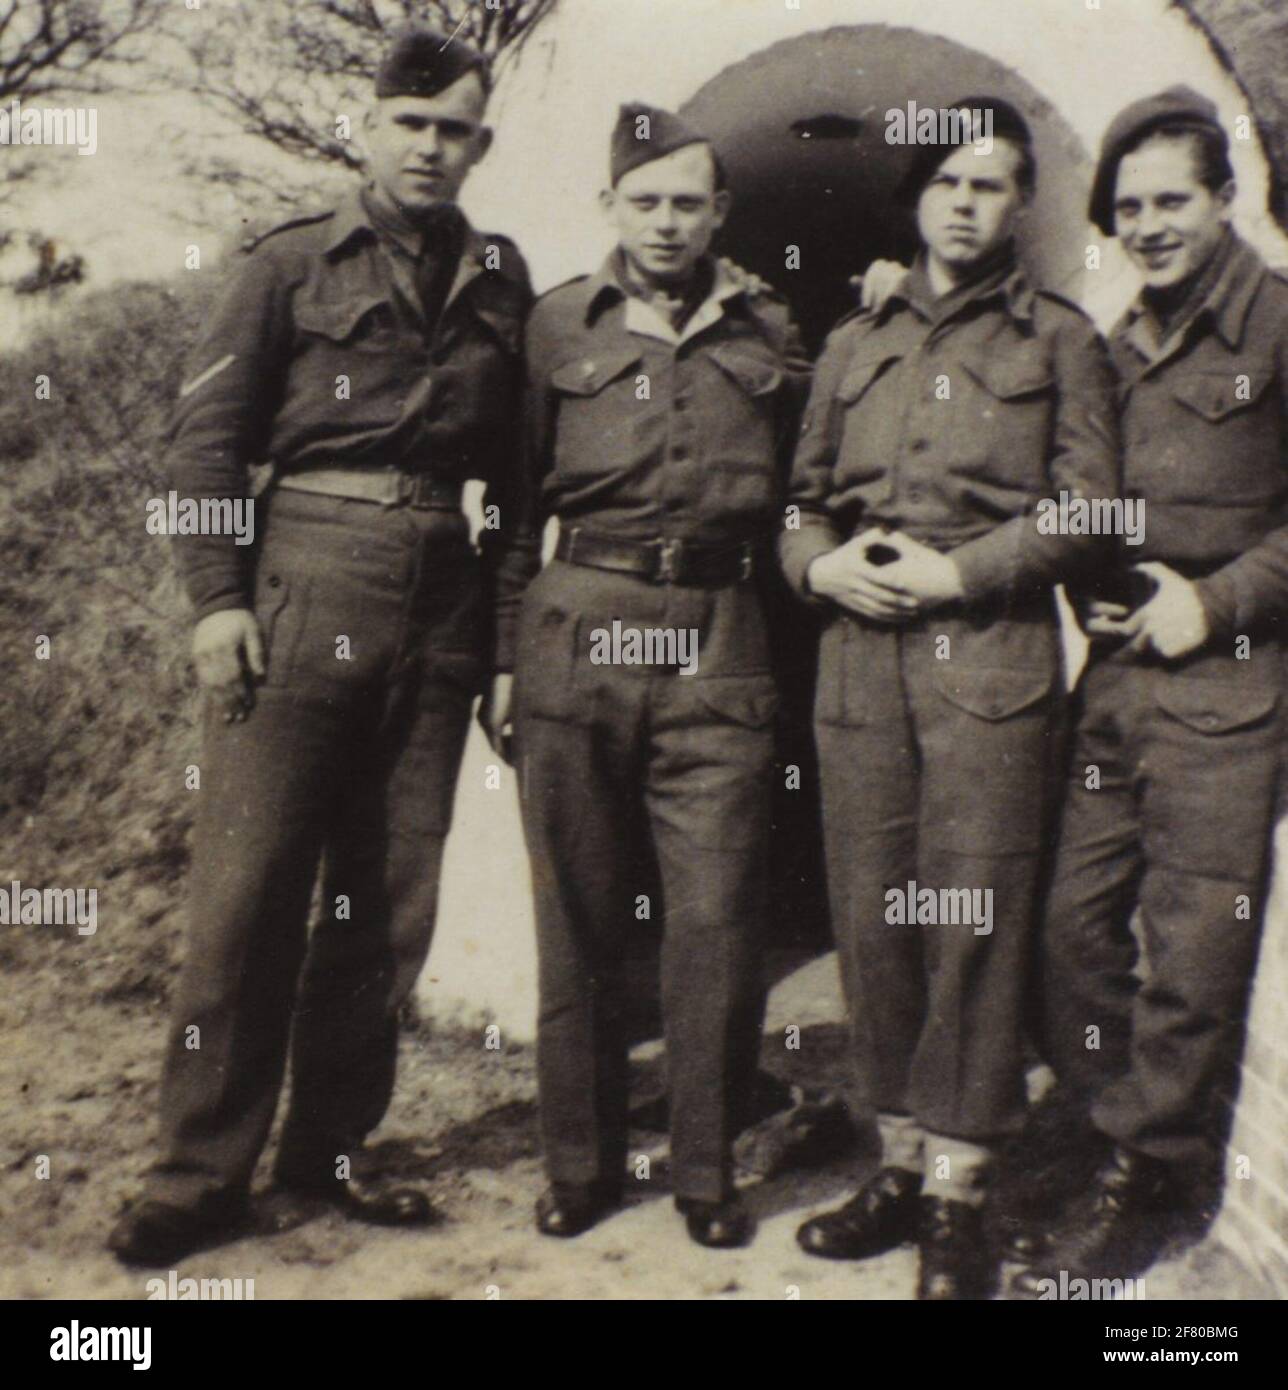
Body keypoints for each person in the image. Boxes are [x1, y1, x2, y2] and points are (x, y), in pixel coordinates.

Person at [108, 26, 533, 1266]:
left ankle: (332, 1146)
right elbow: (203, 446)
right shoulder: (288, 264)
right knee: (246, 899)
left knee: (387, 900)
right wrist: (216, 600)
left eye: (454, 129)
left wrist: (498, 639)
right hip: (301, 579)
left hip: (440, 599)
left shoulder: (501, 278)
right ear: (369, 126)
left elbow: (511, 482)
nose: (430, 147)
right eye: (410, 124)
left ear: (480, 144)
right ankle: (195, 1174)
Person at [779, 97, 1120, 1298]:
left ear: (1020, 203)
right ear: (915, 199)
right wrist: (816, 564)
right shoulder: (850, 338)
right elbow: (798, 497)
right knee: (873, 921)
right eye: (946, 183)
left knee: (970, 922)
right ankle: (899, 1160)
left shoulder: (1062, 343)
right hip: (859, 669)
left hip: (988, 663)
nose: (966, 203)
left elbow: (1086, 511)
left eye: (991, 184)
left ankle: (960, 1198)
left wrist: (963, 571)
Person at [484, 103, 810, 1249]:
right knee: (575, 913)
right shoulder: (556, 325)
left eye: (688, 203)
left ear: (720, 212)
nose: (666, 223)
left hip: (716, 632)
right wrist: (502, 658)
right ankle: (578, 1163)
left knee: (716, 917)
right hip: (578, 627)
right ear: (610, 207)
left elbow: (807, 487)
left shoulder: (771, 331)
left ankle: (706, 1169)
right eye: (646, 201)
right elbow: (517, 511)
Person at [1015, 88, 1288, 1294]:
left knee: (1188, 951)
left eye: (1170, 200)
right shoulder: (1119, 338)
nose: (1148, 225)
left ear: (1226, 198)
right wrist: (1103, 587)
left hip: (1230, 686)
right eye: (1128, 208)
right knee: (1067, 929)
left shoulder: (1277, 327)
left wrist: (1212, 602)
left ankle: (1148, 1172)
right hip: (1120, 679)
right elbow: (1103, 499)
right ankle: (1110, 1125)